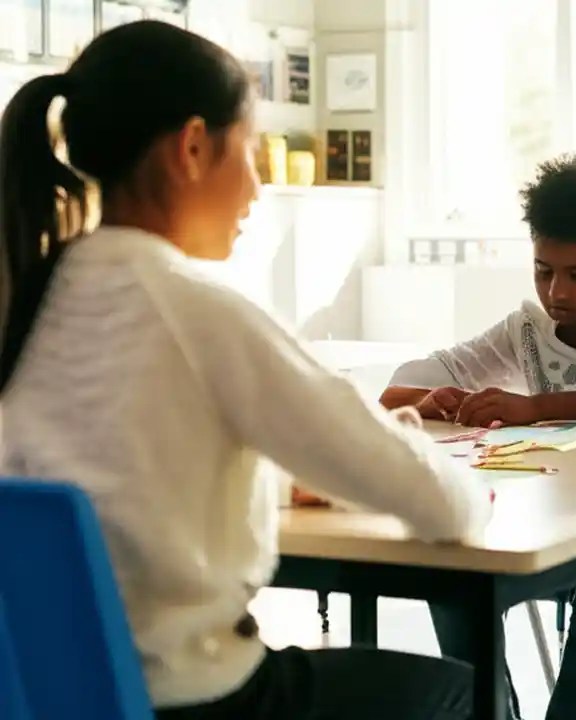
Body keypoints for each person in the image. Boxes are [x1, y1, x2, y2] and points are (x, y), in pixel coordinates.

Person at [0, 21, 493, 720]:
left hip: (57, 696)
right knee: (467, 692)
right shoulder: (196, 308)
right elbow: (446, 505)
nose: (258, 189)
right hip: (195, 696)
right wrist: (444, 473)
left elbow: (118, 471)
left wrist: (283, 480)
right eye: (251, 151)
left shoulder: (38, 298)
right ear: (193, 147)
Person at [381, 153, 576, 720]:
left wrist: (534, 407)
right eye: (543, 270)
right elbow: (413, 377)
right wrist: (427, 399)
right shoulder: (527, 327)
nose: (556, 291)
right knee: (453, 565)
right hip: (560, 515)